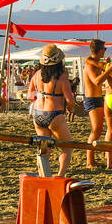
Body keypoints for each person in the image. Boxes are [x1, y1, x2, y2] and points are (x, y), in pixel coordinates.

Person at [29, 44, 76, 176]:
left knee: (44, 148)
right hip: (55, 114)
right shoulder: (62, 77)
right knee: (67, 147)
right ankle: (60, 175)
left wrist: (40, 98)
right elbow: (70, 100)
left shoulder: (37, 75)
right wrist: (71, 109)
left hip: (38, 114)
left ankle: (43, 175)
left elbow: (30, 96)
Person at [81, 40, 108, 169]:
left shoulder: (93, 63)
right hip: (92, 99)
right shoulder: (90, 65)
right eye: (105, 49)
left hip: (96, 98)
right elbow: (96, 81)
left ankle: (91, 159)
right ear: (101, 50)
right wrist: (108, 71)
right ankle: (89, 161)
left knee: (98, 130)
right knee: (95, 130)